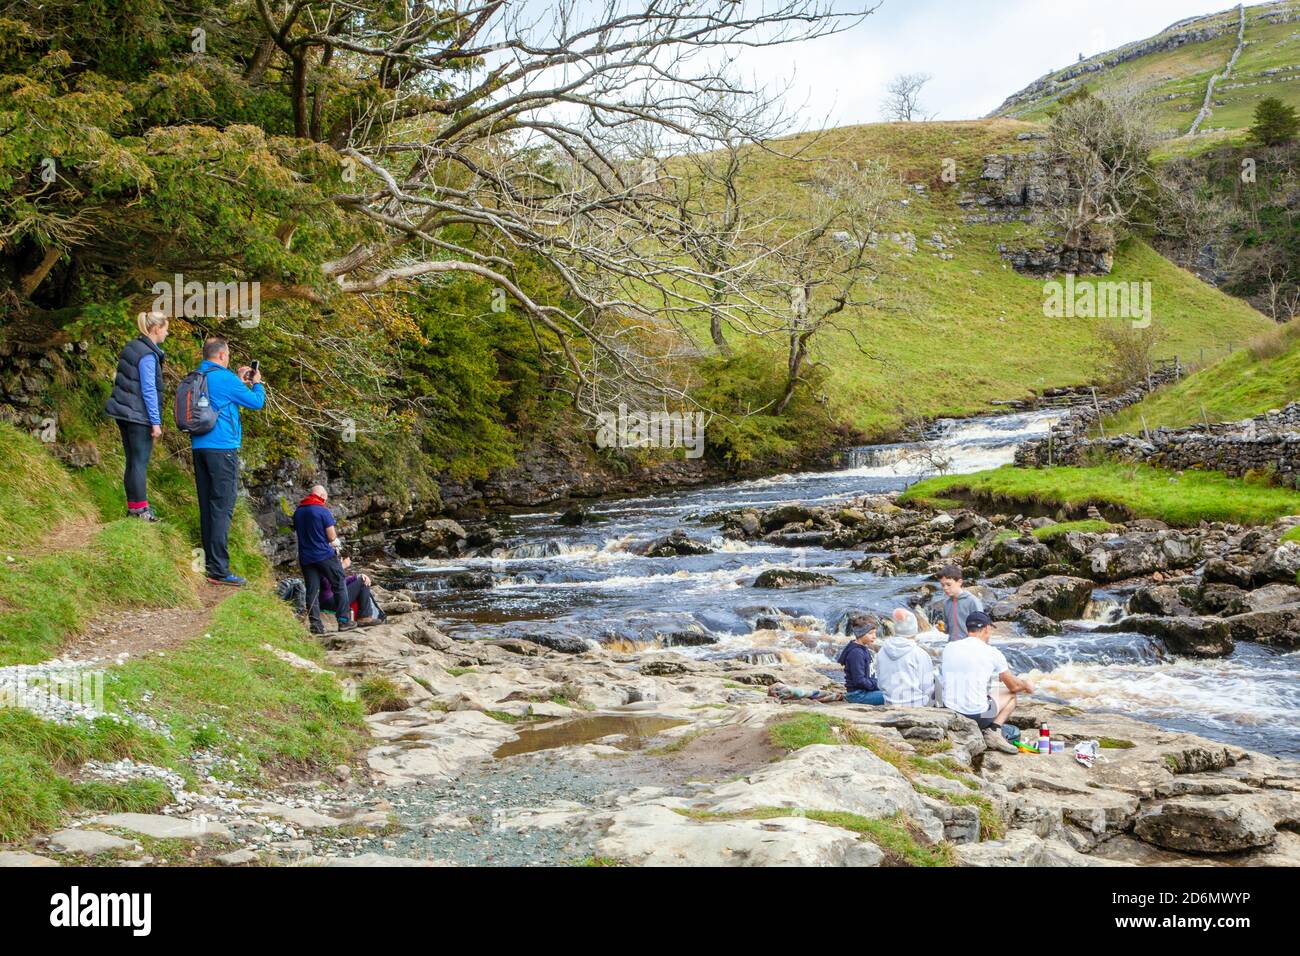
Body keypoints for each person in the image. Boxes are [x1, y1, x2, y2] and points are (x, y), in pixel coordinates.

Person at [190, 338, 265, 586]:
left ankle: (209, 563)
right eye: (228, 354)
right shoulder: (226, 379)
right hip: (223, 449)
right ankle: (219, 570)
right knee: (222, 507)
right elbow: (256, 402)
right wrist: (257, 383)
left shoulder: (198, 374)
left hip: (199, 446)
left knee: (207, 505)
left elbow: (221, 397)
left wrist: (237, 378)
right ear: (222, 355)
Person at [104, 311, 169, 520]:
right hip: (138, 415)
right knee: (139, 462)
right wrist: (156, 422)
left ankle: (134, 508)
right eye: (165, 329)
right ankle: (141, 511)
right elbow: (148, 389)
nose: (167, 333)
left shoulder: (133, 346)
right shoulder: (148, 355)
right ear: (156, 329)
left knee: (132, 461)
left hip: (123, 412)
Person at [940, 611, 1031, 754]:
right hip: (977, 716)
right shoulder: (992, 652)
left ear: (967, 629)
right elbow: (1014, 686)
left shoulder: (949, 647)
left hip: (950, 710)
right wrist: (1026, 685)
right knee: (1011, 695)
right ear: (987, 629)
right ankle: (994, 732)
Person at [293, 484, 356, 634]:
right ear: (321, 496)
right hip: (324, 555)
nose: (325, 501)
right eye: (325, 498)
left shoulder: (298, 512)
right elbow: (332, 536)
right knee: (339, 584)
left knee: (312, 590)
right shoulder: (323, 510)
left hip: (306, 557)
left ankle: (316, 626)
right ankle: (343, 621)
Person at [877, 608, 939, 707]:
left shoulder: (882, 650)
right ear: (914, 629)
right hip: (916, 704)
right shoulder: (919, 653)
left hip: (889, 702)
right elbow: (927, 688)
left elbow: (880, 683)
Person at [319, 555, 385, 627]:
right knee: (362, 582)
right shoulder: (324, 560)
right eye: (335, 547)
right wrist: (342, 566)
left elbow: (341, 581)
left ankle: (364, 616)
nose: (337, 550)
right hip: (329, 601)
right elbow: (329, 583)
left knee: (362, 579)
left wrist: (357, 577)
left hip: (332, 599)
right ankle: (364, 617)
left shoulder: (327, 559)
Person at [836, 613, 884, 705]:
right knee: (893, 696)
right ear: (860, 633)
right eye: (870, 633)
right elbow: (859, 681)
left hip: (865, 691)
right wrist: (877, 685)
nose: (874, 636)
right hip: (858, 695)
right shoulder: (856, 653)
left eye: (875, 633)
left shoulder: (862, 648)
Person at [932, 564, 983, 641]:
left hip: (969, 647)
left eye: (948, 584)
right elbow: (948, 629)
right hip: (952, 646)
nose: (945, 588)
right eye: (942, 585)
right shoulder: (946, 603)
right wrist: (942, 628)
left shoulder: (972, 601)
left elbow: (981, 629)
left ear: (959, 582)